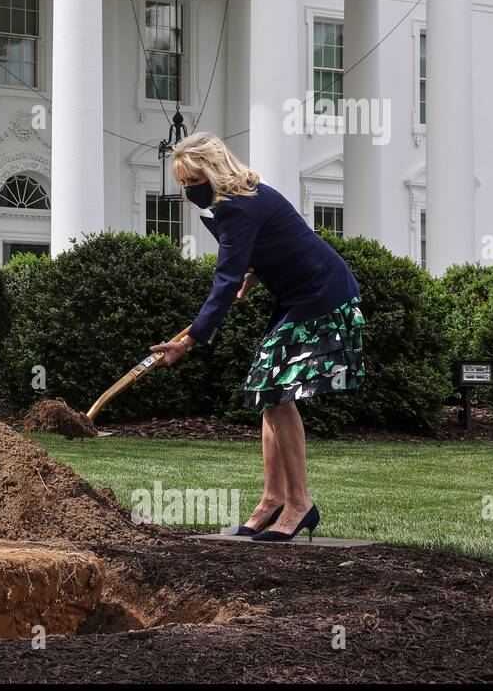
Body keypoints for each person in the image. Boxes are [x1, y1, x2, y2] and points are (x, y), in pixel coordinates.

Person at [149, 132, 364, 542]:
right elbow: (270, 245)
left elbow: (224, 280)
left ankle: (299, 503)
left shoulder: (236, 209)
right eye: (182, 184)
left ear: (212, 171)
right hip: (298, 296)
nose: (188, 191)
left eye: (193, 181)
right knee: (269, 391)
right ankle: (272, 500)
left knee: (274, 389)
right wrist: (251, 271)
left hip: (322, 295)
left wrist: (190, 339)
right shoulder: (249, 196)